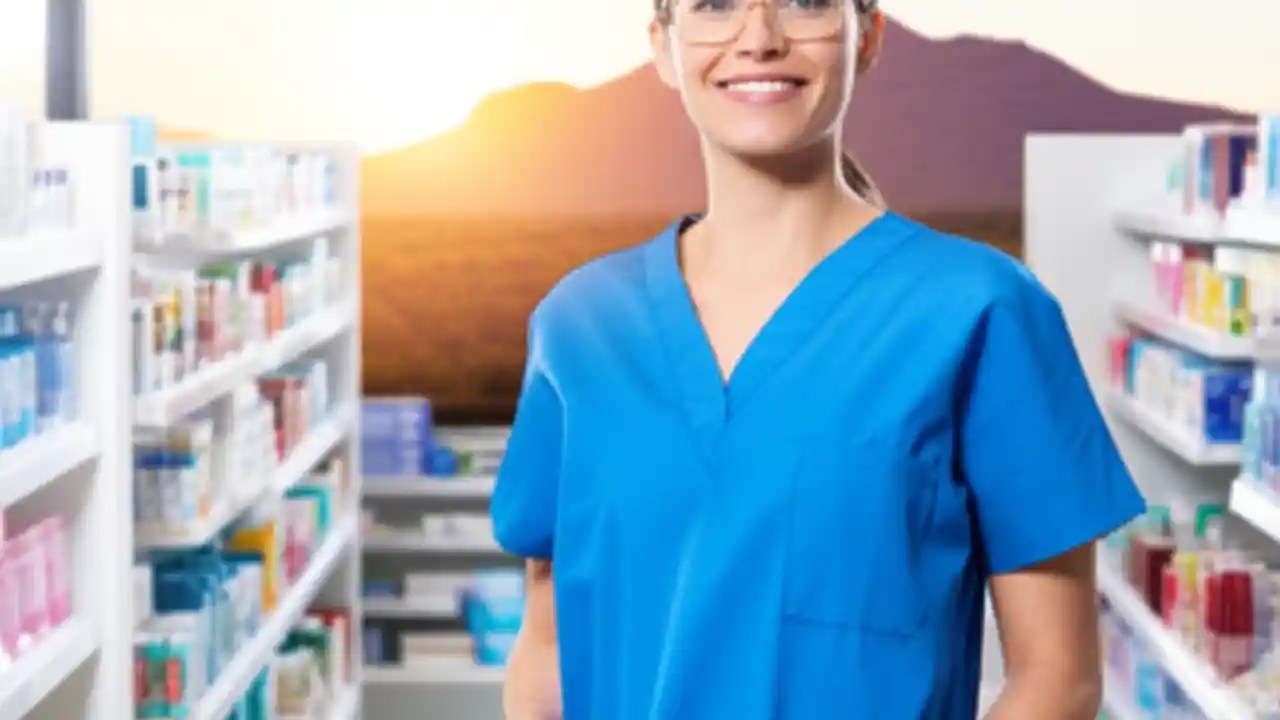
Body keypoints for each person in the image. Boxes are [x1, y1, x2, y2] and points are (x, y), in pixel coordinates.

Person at [491, 0, 1146, 717]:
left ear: (866, 36)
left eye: (804, 3)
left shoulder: (980, 311)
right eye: (714, 5)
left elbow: (1057, 681)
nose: (759, 38)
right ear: (664, 46)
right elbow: (549, 639)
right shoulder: (581, 325)